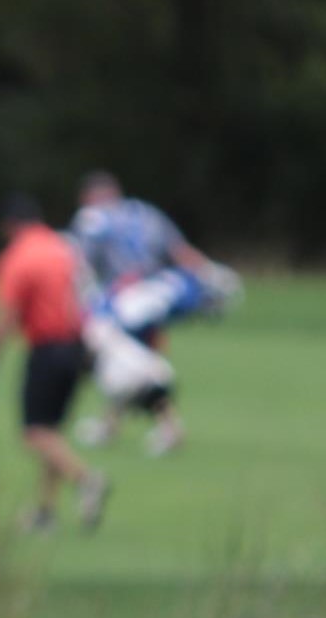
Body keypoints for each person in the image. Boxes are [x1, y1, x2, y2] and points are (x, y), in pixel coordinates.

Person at [66, 171, 239, 456]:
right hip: (153, 301)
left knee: (128, 364)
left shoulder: (93, 218)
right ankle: (111, 425)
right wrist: (208, 273)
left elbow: (77, 264)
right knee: (130, 361)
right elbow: (179, 251)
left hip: (123, 306)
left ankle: (170, 428)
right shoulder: (146, 213)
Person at [0, 196, 110, 532]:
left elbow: (6, 315)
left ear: (10, 226)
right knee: (52, 431)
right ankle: (45, 513)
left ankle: (87, 480)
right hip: (79, 347)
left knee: (35, 433)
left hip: (49, 348)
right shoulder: (64, 248)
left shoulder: (18, 257)